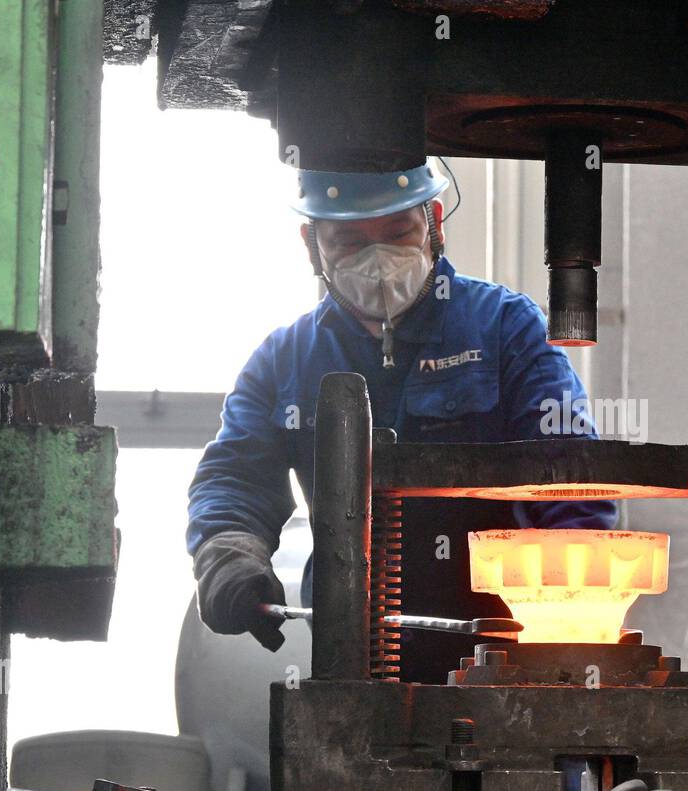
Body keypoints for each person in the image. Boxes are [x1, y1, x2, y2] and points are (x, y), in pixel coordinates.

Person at [186, 163, 616, 650]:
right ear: (312, 244)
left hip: (498, 650)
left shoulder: (505, 328)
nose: (378, 259)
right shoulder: (284, 359)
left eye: (398, 231)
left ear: (435, 221)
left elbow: (571, 473)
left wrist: (569, 611)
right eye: (350, 241)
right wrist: (229, 555)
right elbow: (235, 478)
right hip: (349, 652)